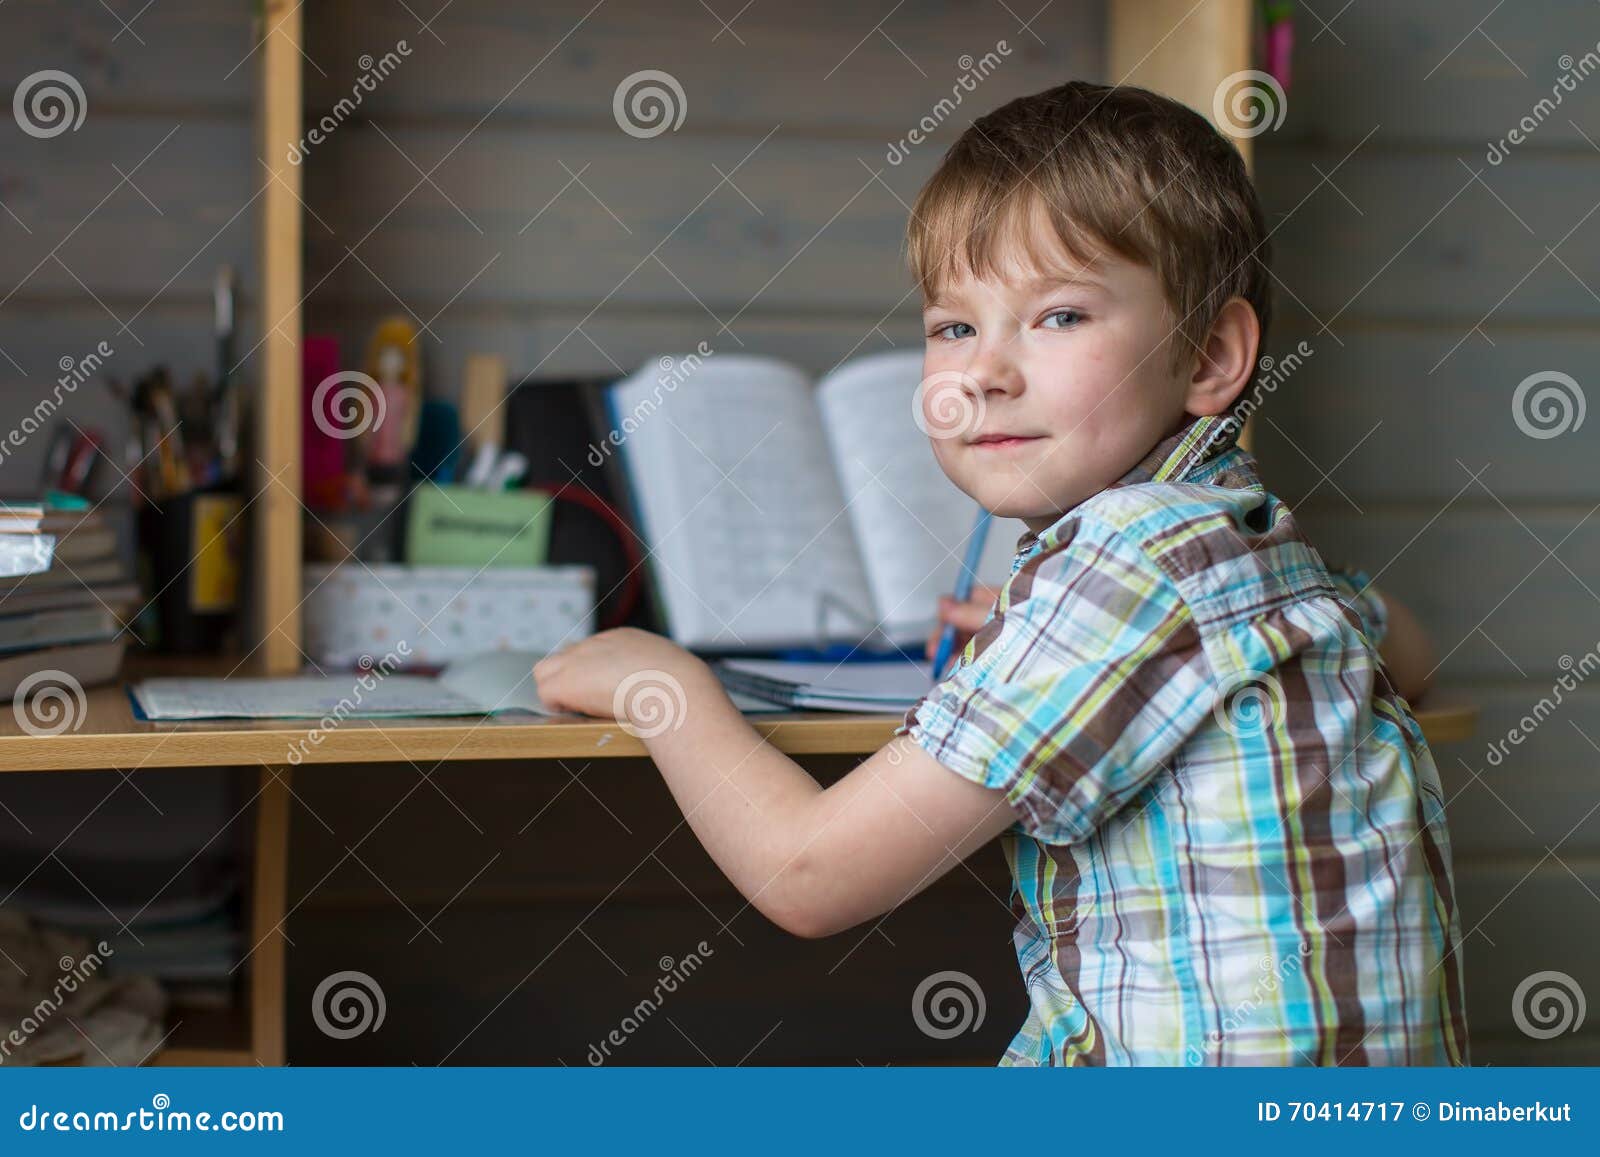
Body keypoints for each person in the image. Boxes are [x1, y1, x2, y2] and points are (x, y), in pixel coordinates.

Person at [534, 80, 1467, 1065]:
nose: (984, 371)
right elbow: (1406, 643)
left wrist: (662, 681)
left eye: (1059, 316)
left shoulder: (1121, 562)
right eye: (953, 326)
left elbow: (804, 876)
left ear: (1211, 355)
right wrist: (1060, 645)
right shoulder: (1242, 537)